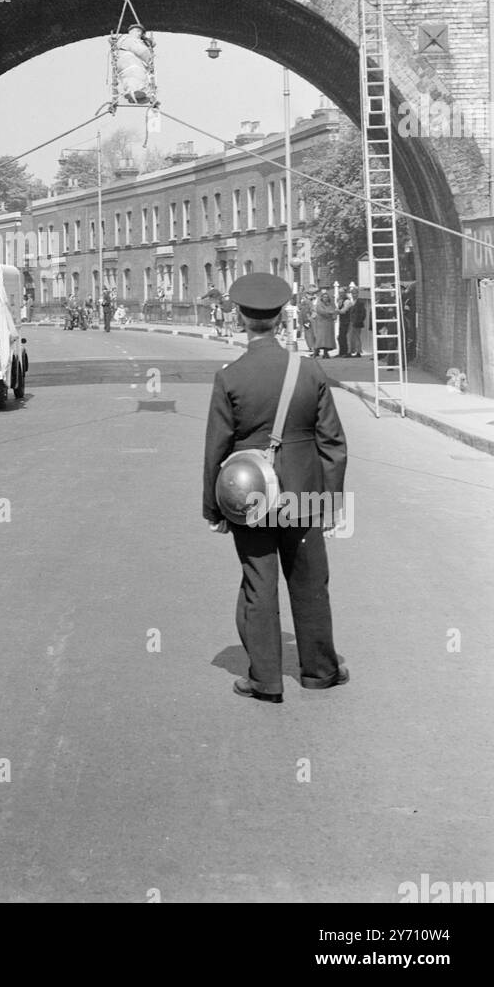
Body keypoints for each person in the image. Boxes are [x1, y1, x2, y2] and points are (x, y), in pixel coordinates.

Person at [202, 273, 349, 702]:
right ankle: (320, 671)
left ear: (242, 318)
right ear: (282, 316)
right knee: (310, 581)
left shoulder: (230, 377)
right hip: (304, 495)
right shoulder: (309, 370)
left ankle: (264, 680)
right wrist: (331, 504)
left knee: (258, 581)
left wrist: (214, 509)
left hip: (250, 496)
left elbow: (216, 448)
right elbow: (333, 444)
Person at [312, 286, 338, 357]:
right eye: (324, 297)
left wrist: (332, 314)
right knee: (320, 339)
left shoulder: (331, 304)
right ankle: (315, 352)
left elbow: (335, 311)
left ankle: (326, 353)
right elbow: (322, 312)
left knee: (328, 340)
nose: (325, 298)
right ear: (321, 298)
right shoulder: (319, 305)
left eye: (327, 297)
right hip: (321, 324)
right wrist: (330, 312)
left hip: (329, 325)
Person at [337, 286, 355, 357]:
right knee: (340, 337)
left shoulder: (347, 301)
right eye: (339, 293)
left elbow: (343, 311)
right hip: (342, 321)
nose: (340, 294)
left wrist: (336, 311)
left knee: (344, 337)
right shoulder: (340, 300)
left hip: (347, 321)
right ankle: (341, 352)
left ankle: (346, 352)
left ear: (345, 293)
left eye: (342, 293)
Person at [347, 291, 367, 357]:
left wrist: (359, 320)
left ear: (357, 294)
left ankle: (358, 352)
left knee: (357, 337)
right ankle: (350, 351)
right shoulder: (351, 302)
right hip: (351, 322)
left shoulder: (360, 303)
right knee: (350, 337)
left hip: (357, 322)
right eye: (353, 294)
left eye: (355, 293)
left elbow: (363, 313)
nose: (354, 295)